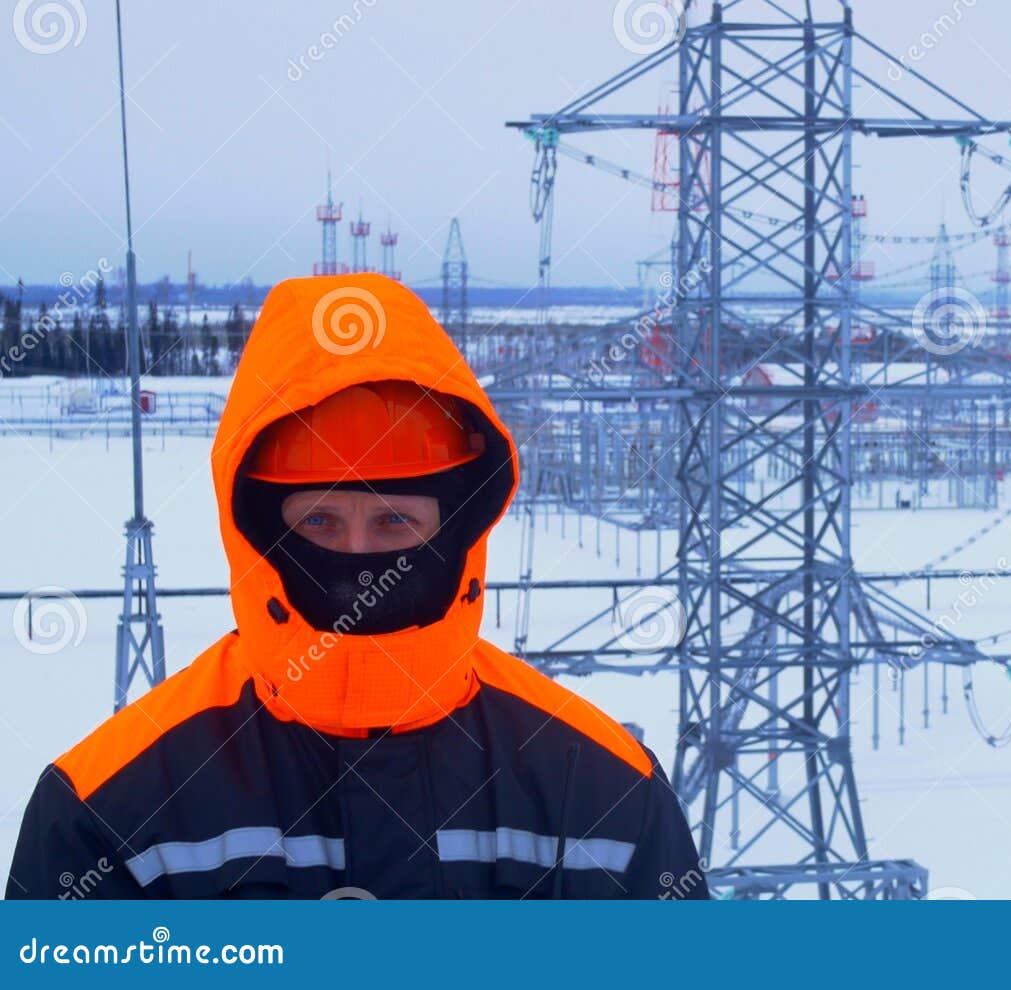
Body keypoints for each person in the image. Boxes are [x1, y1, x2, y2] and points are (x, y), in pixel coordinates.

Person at [5, 273, 705, 900]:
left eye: (396, 520)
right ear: (258, 533)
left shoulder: (606, 791)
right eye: (321, 521)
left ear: (460, 528)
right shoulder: (108, 809)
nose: (360, 555)